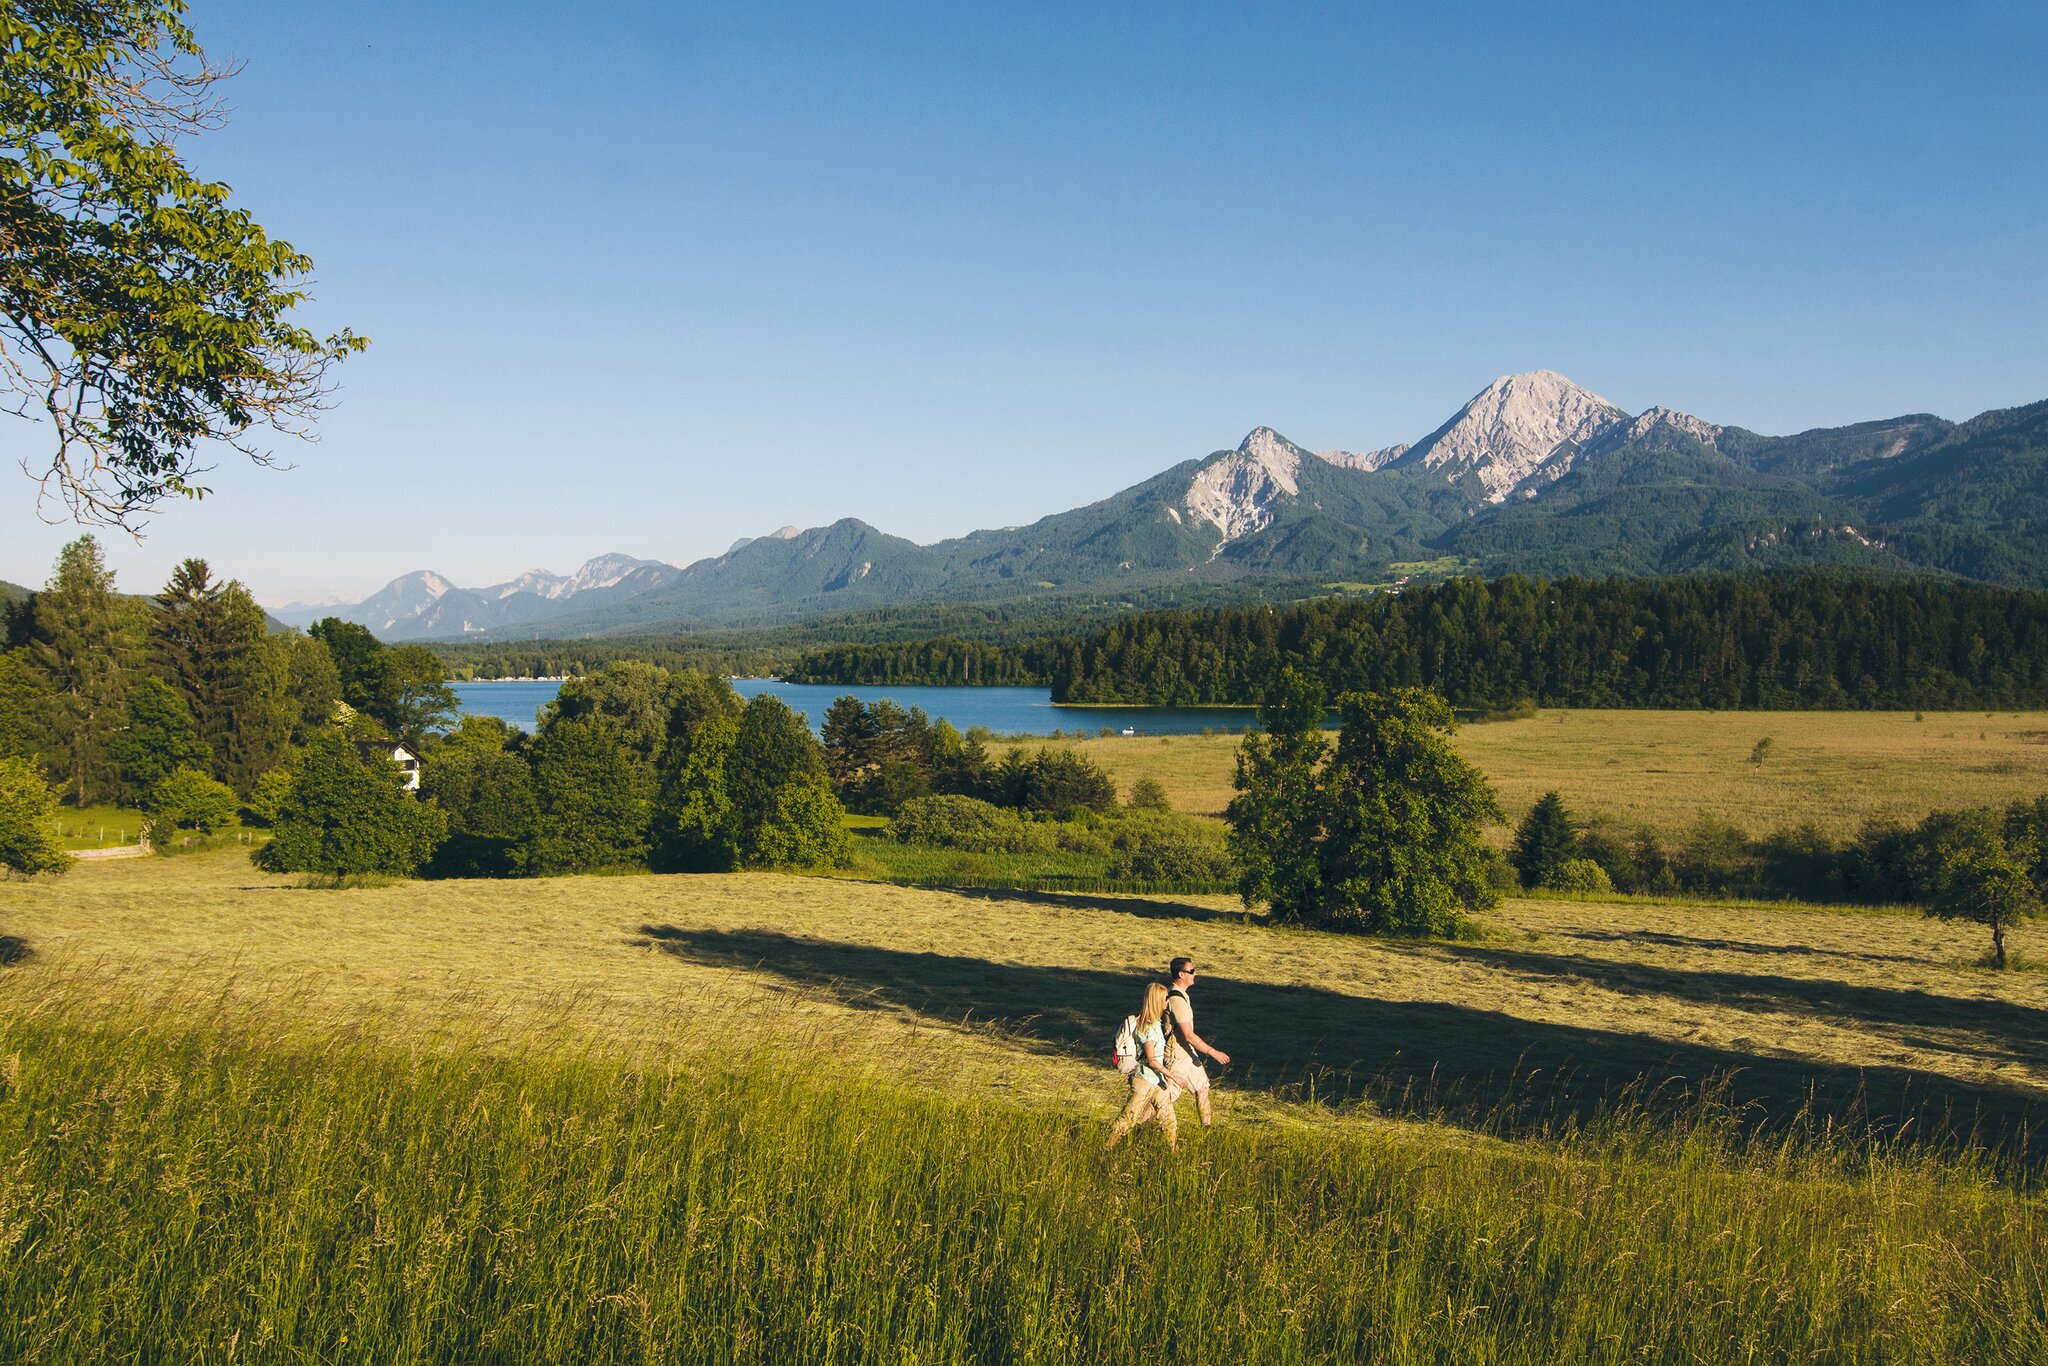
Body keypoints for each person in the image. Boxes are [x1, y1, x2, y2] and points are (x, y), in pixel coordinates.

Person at [1104, 983, 1180, 1152]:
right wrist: (1174, 1077)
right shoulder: (1147, 1028)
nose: (1168, 1001)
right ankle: (1106, 1149)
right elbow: (1152, 1061)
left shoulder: (1157, 1024)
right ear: (1157, 1001)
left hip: (1157, 1081)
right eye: (1165, 999)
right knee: (1128, 1117)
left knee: (1169, 1120)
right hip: (1145, 1080)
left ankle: (1174, 1153)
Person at [1162, 956, 1229, 1127]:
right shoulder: (1176, 999)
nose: (1195, 973)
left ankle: (1207, 1129)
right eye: (1191, 971)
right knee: (1166, 1096)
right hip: (1177, 1053)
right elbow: (1188, 1035)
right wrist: (1213, 1052)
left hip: (1187, 1052)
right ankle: (1131, 1125)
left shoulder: (1181, 995)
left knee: (1202, 1087)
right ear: (1181, 974)